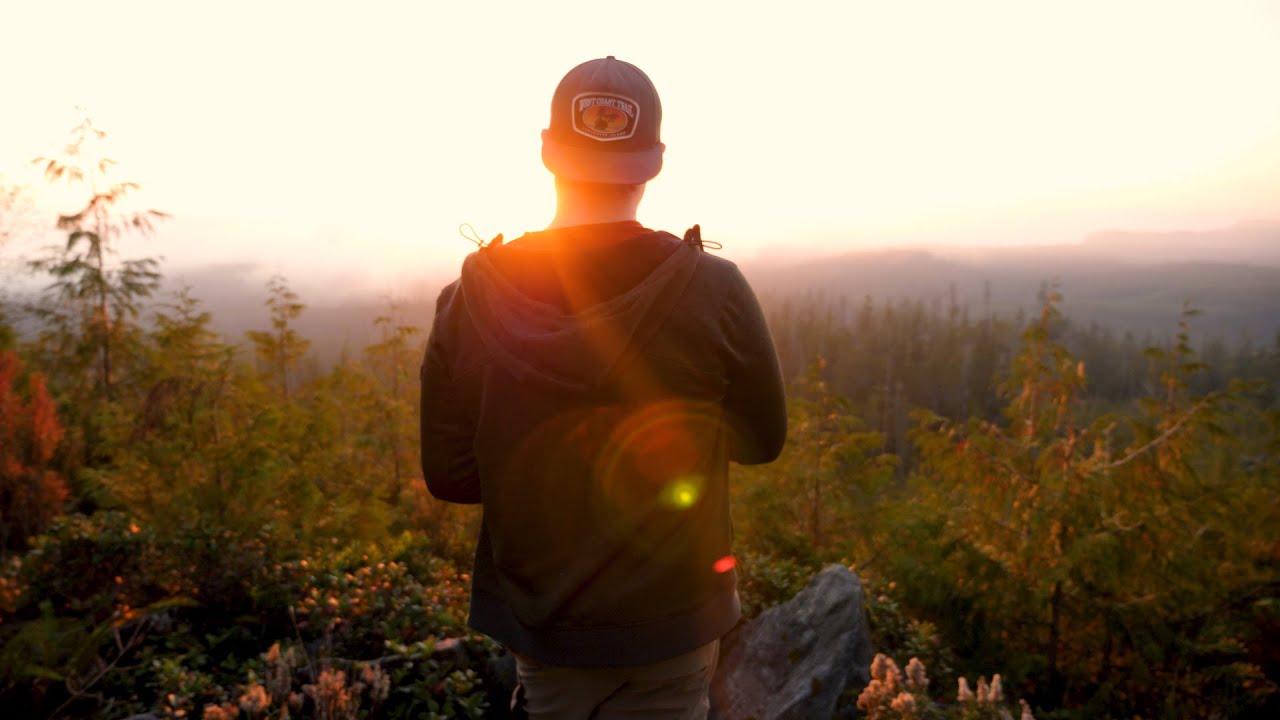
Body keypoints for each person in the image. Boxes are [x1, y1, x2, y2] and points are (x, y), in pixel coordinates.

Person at [420, 56, 787, 719]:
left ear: (546, 152)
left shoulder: (468, 295)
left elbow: (451, 476)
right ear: (655, 161)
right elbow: (761, 440)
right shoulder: (712, 289)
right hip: (673, 621)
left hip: (542, 628)